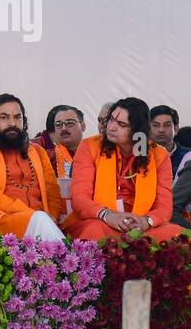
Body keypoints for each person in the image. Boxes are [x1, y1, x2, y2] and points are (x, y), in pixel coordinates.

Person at [63, 97, 182, 241]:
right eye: (111, 119)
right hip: (100, 221)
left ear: (137, 129)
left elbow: (164, 206)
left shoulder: (159, 155)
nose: (111, 127)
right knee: (94, 231)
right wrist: (108, 215)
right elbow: (79, 197)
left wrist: (147, 221)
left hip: (141, 226)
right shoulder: (89, 147)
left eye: (121, 124)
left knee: (178, 235)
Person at [0, 94, 66, 240]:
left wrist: (52, 217)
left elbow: (52, 192)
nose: (12, 123)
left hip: (45, 221)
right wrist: (33, 215)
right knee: (39, 219)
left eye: (17, 117)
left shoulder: (38, 152)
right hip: (5, 222)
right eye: (4, 117)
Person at [32, 104, 87, 180]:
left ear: (83, 125)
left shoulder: (93, 152)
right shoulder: (45, 157)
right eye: (58, 124)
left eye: (70, 123)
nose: (63, 128)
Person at [150, 105, 189, 175]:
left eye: (167, 125)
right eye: (156, 125)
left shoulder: (187, 156)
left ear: (176, 129)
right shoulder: (141, 156)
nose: (161, 130)